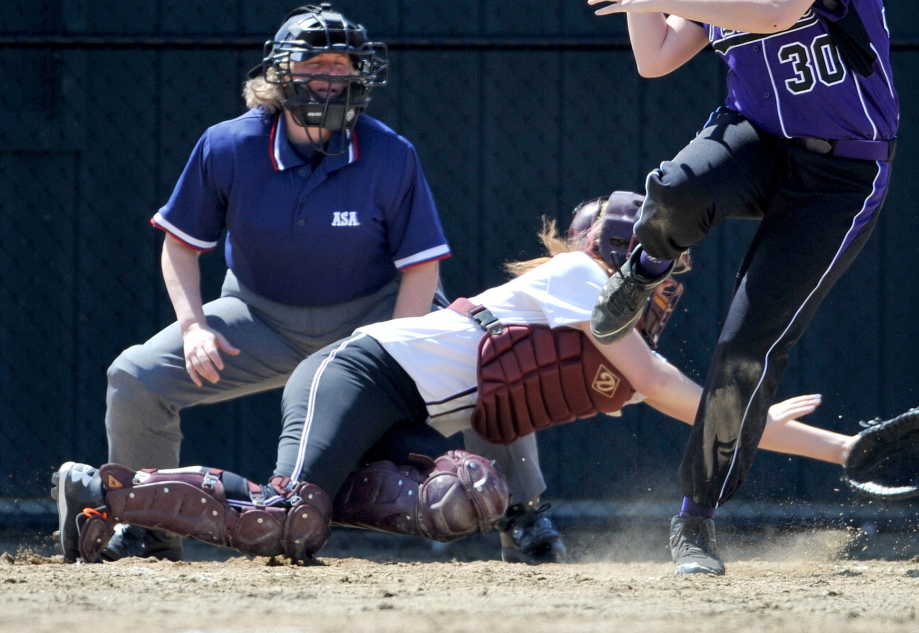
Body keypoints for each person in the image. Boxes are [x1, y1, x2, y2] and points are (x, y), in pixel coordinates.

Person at [54, 192, 861, 564]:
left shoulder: (599, 323)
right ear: (613, 257)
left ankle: (297, 506)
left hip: (398, 404)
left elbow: (695, 406)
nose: (663, 279)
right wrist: (825, 445)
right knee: (283, 519)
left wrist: (800, 434)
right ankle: (101, 490)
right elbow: (674, 392)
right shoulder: (583, 282)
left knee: (464, 492)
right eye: (652, 262)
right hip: (360, 372)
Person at [54, 3, 556, 564]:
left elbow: (419, 269)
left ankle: (525, 519)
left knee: (496, 365)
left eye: (342, 69)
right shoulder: (228, 146)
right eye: (315, 67)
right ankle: (150, 532)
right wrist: (193, 326)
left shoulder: (389, 153)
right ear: (279, 77)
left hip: (376, 317)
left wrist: (397, 357)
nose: (330, 80)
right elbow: (179, 246)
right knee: (134, 376)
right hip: (259, 317)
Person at [586, 0, 899, 576]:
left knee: (743, 356)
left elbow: (772, 6)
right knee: (677, 186)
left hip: (841, 171)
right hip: (760, 139)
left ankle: (694, 521)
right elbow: (655, 58)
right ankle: (646, 266)